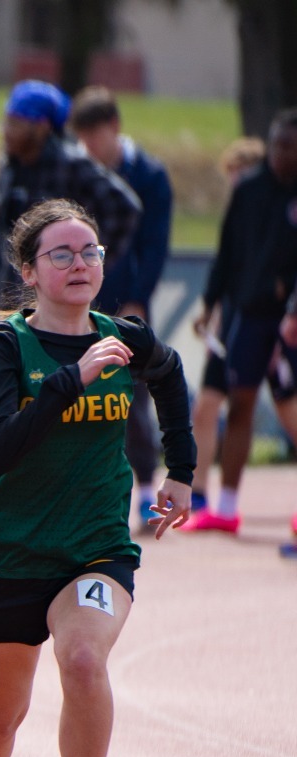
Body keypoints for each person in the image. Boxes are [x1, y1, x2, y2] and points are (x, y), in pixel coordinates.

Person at [0, 199, 193, 757]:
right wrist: (73, 380)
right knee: (0, 718)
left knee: (84, 659)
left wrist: (181, 469)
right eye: (61, 253)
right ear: (29, 271)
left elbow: (172, 373)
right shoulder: (7, 347)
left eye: (89, 250)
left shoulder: (124, 338)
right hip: (8, 552)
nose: (80, 263)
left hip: (94, 548)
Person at [186, 108, 297, 537]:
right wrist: (210, 303)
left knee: (291, 410)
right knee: (240, 404)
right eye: (279, 145)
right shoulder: (249, 191)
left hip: (290, 321)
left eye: (291, 147)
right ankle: (226, 507)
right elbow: (228, 251)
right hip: (250, 317)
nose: (282, 154)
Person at [69, 86, 173, 530]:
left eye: (95, 136)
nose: (88, 147)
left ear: (114, 127)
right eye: (82, 138)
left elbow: (154, 244)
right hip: (85, 298)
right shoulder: (79, 174)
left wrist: (139, 296)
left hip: (129, 298)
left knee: (133, 394)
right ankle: (85, 497)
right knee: (81, 392)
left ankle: (147, 491)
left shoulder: (149, 174)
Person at [0, 81, 141, 311]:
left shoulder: (70, 164)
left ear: (41, 126)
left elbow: (124, 207)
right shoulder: (10, 165)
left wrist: (89, 260)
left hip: (58, 306)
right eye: (6, 122)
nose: (6, 131)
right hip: (9, 297)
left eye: (15, 123)